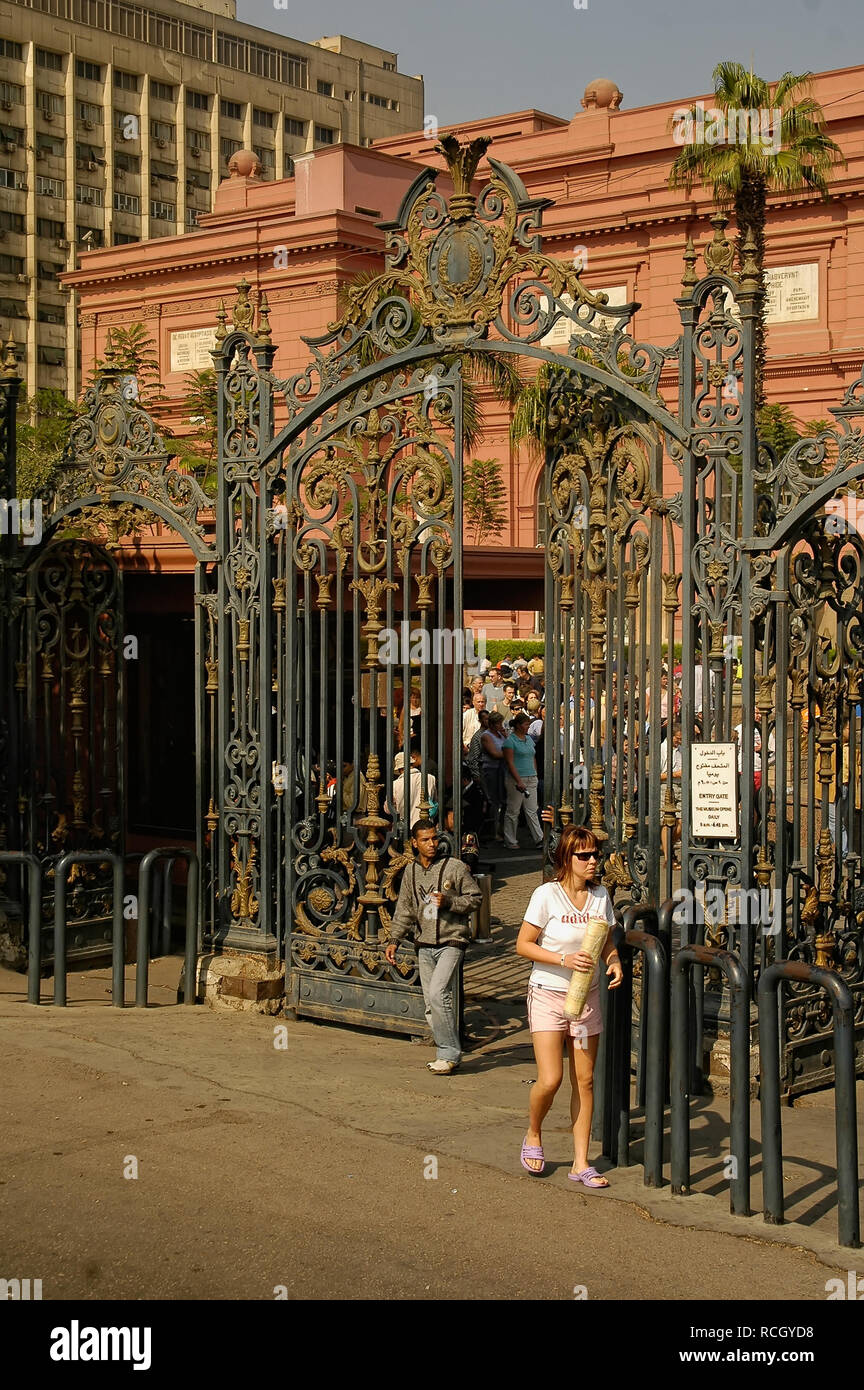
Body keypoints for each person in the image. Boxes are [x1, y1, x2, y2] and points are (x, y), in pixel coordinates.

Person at [516, 824, 622, 1184]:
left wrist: (614, 960)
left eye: (596, 855)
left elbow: (605, 941)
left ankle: (580, 1162)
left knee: (585, 1079)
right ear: (567, 858)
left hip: (585, 1000)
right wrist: (563, 960)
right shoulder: (546, 895)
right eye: (585, 856)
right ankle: (533, 1132)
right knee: (551, 1078)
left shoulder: (600, 896)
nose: (593, 861)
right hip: (547, 995)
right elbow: (523, 945)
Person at [385, 819, 482, 1074]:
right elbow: (404, 908)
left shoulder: (454, 867)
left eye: (434, 838)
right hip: (424, 943)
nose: (432, 844)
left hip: (452, 941)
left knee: (439, 993)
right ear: (414, 843)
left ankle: (449, 1053)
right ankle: (446, 1051)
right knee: (431, 1002)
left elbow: (475, 898)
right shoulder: (411, 872)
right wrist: (394, 939)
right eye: (425, 840)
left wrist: (449, 902)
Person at [502, 711, 544, 849]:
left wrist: (535, 774)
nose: (528, 726)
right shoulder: (510, 741)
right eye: (526, 724)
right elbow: (510, 762)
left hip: (531, 777)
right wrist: (518, 780)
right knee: (513, 810)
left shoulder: (529, 739)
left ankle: (539, 838)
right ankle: (510, 840)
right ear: (519, 725)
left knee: (532, 809)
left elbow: (533, 757)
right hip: (516, 779)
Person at [389, 750, 437, 833]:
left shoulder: (395, 784)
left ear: (399, 769)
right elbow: (434, 800)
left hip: (403, 828)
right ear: (412, 764)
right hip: (425, 827)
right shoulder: (430, 778)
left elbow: (388, 808)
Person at [479, 710, 507, 840]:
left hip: (503, 770)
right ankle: (493, 831)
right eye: (498, 723)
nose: (501, 725)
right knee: (494, 801)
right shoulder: (486, 736)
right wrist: (509, 753)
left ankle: (502, 829)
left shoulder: (501, 735)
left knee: (503, 801)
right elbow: (495, 753)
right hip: (491, 770)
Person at [659, 723, 683, 864]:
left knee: (681, 822)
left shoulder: (680, 749)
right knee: (667, 822)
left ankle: (668, 845)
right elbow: (657, 774)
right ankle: (669, 857)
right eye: (677, 738)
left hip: (680, 786)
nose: (679, 741)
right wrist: (675, 774)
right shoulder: (662, 749)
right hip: (667, 787)